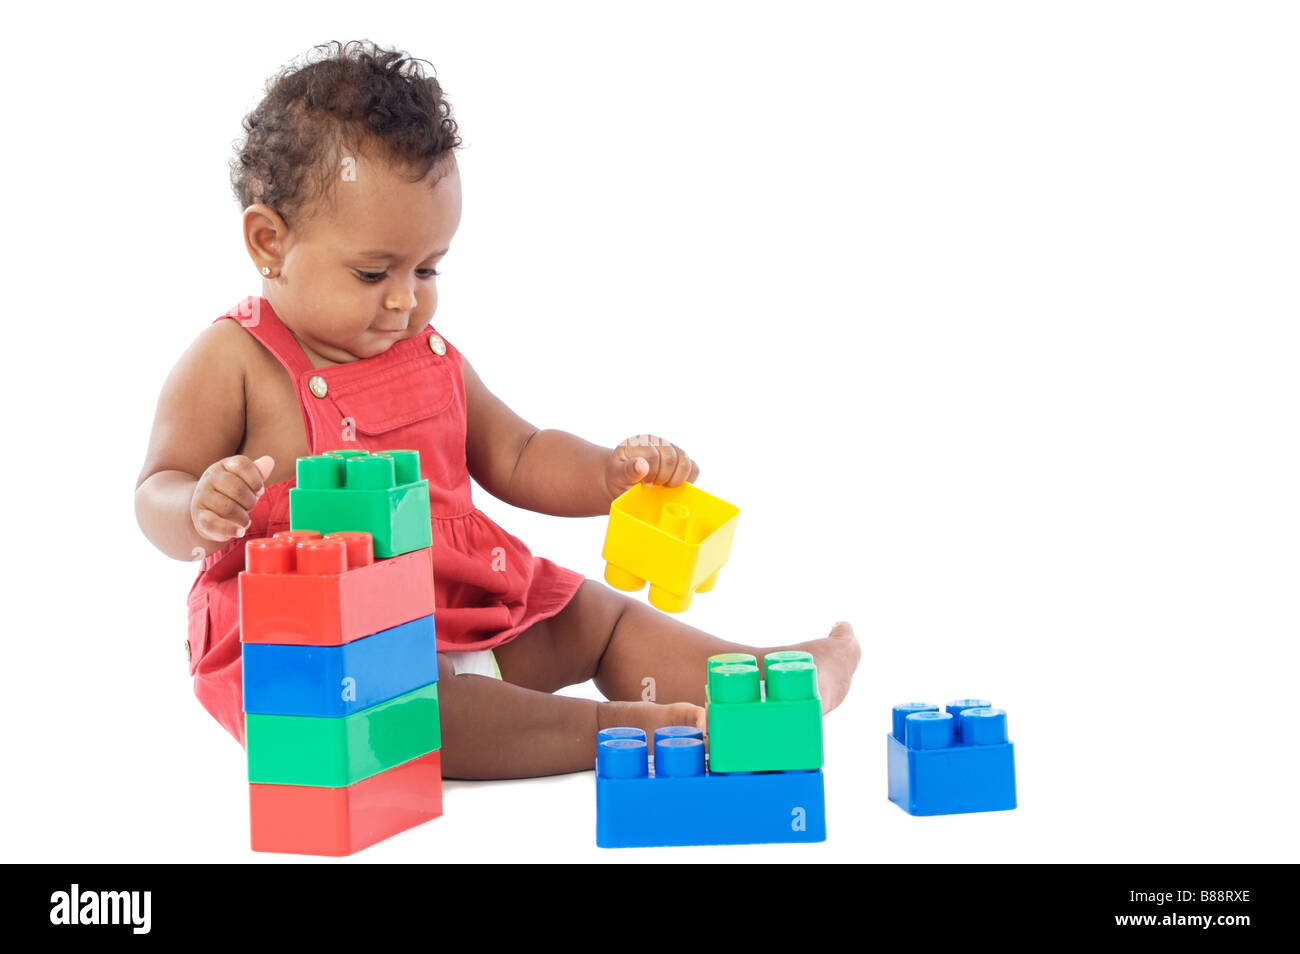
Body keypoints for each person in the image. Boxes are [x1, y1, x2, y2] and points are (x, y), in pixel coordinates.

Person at [134, 39, 859, 779]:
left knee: (597, 617)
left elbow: (518, 452)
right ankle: (611, 729)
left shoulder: (427, 353)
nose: (404, 299)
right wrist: (196, 505)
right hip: (319, 659)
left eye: (428, 268)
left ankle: (759, 682)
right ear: (269, 242)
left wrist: (610, 473)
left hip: (464, 603)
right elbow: (156, 487)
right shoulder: (234, 362)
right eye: (373, 271)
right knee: (411, 713)